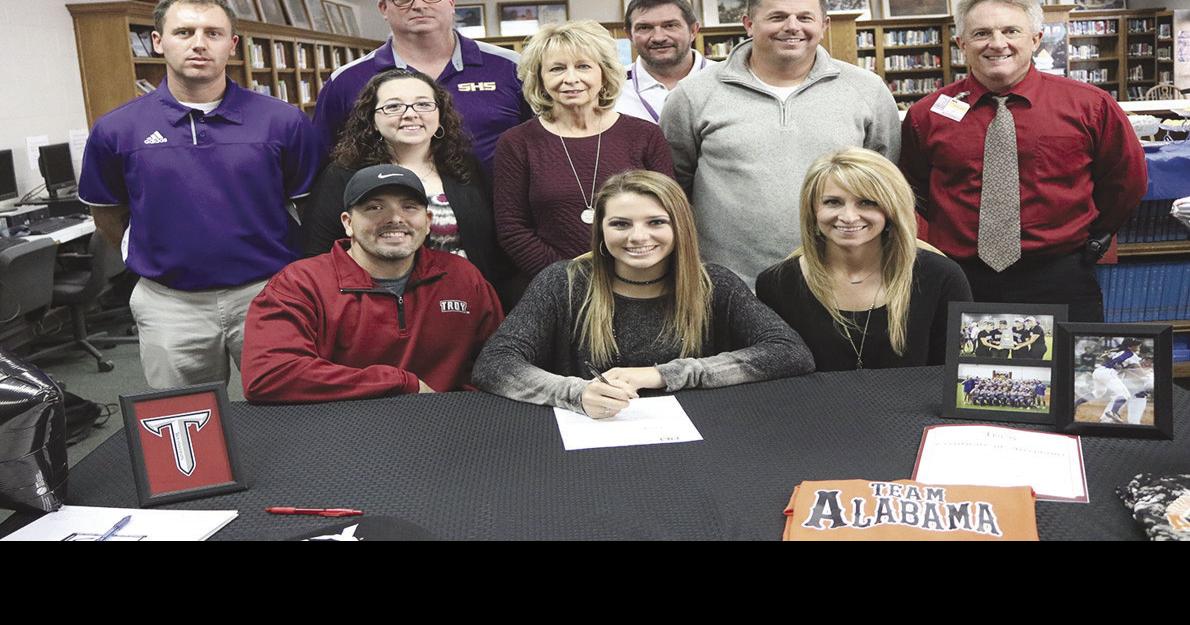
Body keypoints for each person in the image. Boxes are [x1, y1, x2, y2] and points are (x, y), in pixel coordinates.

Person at [77, 0, 322, 389]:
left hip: (269, 293)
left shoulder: (283, 121)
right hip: (170, 304)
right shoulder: (116, 130)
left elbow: (311, 209)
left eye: (213, 33)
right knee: (188, 425)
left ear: (233, 44)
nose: (199, 44)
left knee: (293, 408)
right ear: (158, 41)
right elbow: (107, 213)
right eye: (184, 32)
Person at [472, 170, 814, 418]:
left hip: (697, 439)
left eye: (656, 222)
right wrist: (575, 393)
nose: (638, 237)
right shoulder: (563, 282)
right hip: (592, 435)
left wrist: (665, 374)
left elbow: (789, 353)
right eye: (620, 224)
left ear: (680, 226)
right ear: (601, 231)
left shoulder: (716, 284)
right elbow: (495, 364)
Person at [899, 0, 1147, 322]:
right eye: (981, 33)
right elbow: (915, 189)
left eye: (1010, 31)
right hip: (961, 280)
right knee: (967, 373)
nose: (997, 43)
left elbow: (1125, 181)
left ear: (1036, 39)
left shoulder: (1090, 106)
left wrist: (1092, 234)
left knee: (1066, 371)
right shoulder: (927, 115)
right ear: (961, 43)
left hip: (1059, 277)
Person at [661, 0, 899, 288]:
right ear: (748, 24)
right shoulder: (692, 95)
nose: (792, 27)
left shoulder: (868, 90)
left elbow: (885, 185)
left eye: (805, 18)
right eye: (777, 17)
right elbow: (674, 188)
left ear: (824, 26)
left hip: (840, 281)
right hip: (730, 284)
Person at [241, 164, 503, 403]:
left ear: (428, 222)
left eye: (409, 206)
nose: (395, 218)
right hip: (339, 435)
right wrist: (401, 383)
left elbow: (499, 363)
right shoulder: (300, 284)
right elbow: (269, 374)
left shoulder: (462, 277)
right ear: (348, 223)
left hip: (446, 431)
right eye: (375, 207)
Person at [301, 68, 519, 306]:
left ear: (440, 114)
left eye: (423, 105)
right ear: (372, 120)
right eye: (393, 107)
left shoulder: (464, 167)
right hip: (379, 309)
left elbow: (494, 247)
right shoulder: (343, 174)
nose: (410, 114)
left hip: (469, 302)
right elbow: (318, 253)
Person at [756, 148, 971, 371]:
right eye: (833, 202)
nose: (848, 217)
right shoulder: (776, 285)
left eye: (867, 202)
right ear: (812, 210)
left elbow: (961, 379)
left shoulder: (942, 278)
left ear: (891, 210)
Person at [493, 21, 675, 277]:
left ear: (604, 73)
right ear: (540, 79)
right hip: (558, 288)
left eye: (583, 66)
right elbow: (512, 229)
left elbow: (670, 213)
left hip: (641, 279)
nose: (571, 79)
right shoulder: (516, 143)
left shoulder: (645, 134)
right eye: (557, 68)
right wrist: (569, 279)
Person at [313, 0, 531, 172]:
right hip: (392, 221)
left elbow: (544, 143)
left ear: (452, 3)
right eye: (403, 0)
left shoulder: (511, 67)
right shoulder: (346, 81)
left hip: (498, 218)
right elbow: (325, 161)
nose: (418, 5)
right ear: (383, 8)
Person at [615, 0, 717, 124]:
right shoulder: (609, 86)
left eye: (670, 25)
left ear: (693, 31)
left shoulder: (727, 80)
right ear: (630, 35)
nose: (659, 38)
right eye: (644, 27)